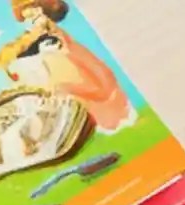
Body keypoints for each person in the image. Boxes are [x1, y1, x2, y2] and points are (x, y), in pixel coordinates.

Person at [11, 0, 136, 132]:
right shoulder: (30, 30)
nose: (31, 12)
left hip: (59, 58)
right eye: (26, 10)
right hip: (47, 60)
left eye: (34, 8)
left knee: (82, 81)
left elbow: (51, 34)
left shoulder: (44, 24)